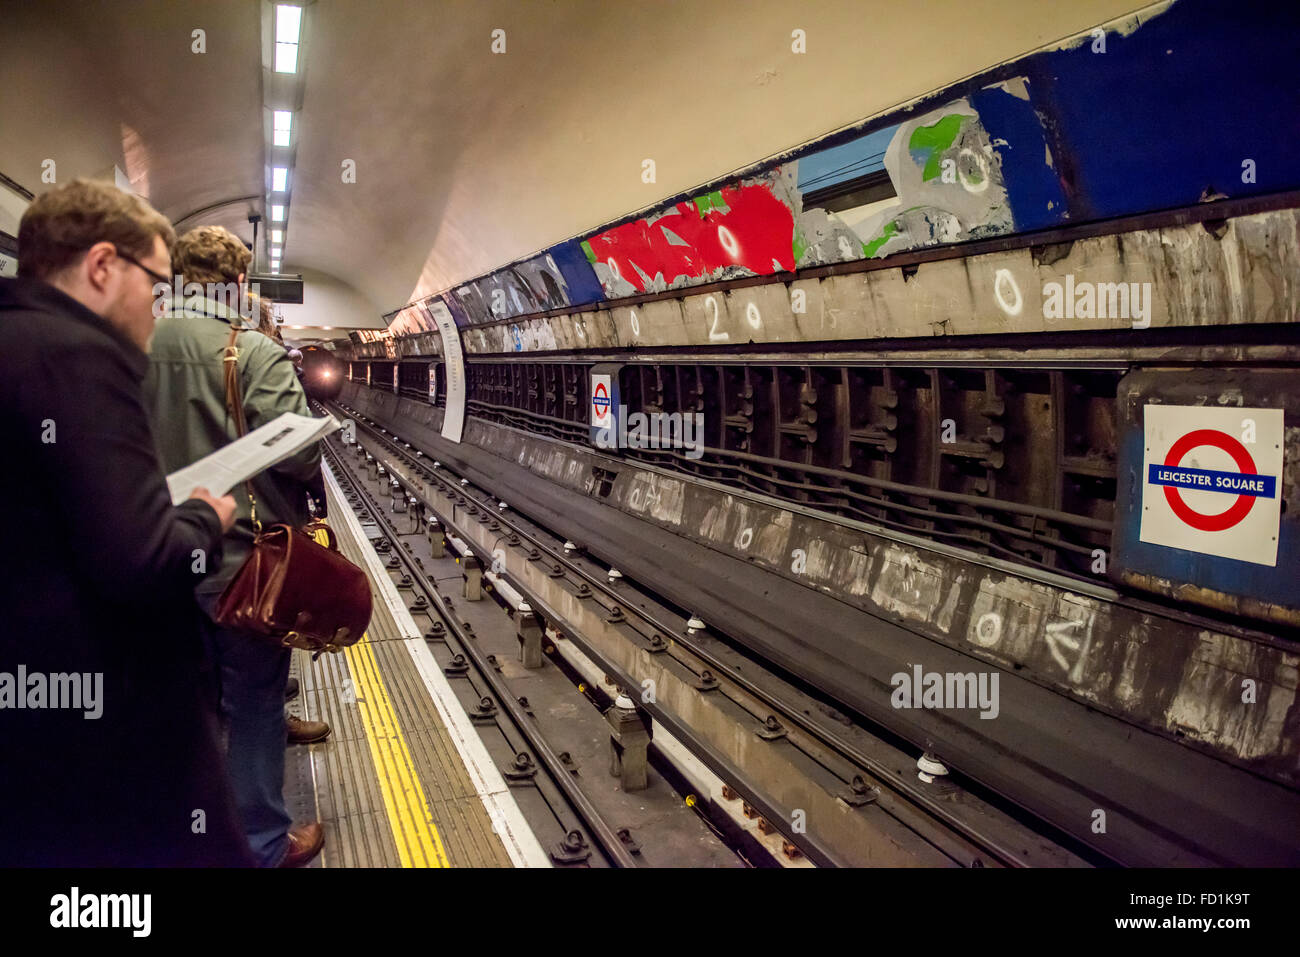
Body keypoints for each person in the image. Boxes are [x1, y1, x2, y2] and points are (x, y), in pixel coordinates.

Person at [0, 178, 251, 866]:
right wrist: (204, 514)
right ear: (103, 266)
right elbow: (143, 561)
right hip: (113, 728)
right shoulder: (78, 356)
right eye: (156, 283)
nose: (158, 304)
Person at [143, 225, 330, 867]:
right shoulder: (247, 350)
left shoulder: (129, 343)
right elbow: (302, 454)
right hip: (236, 559)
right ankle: (262, 844)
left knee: (187, 694)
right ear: (239, 285)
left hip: (153, 554)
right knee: (252, 696)